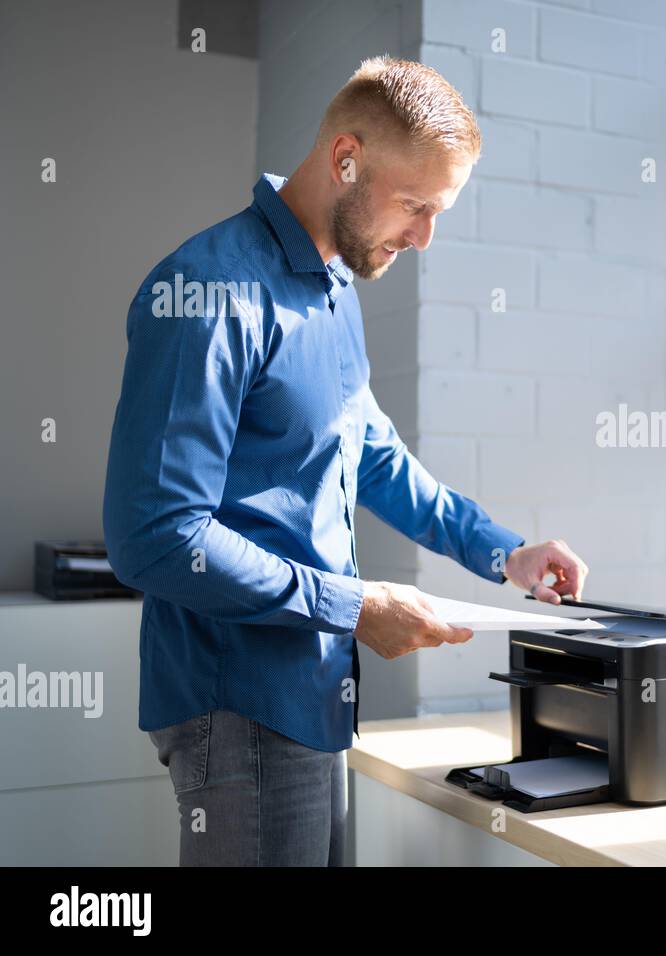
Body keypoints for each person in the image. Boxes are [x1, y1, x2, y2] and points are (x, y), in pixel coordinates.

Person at [102, 55, 588, 866]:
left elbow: (375, 459)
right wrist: (354, 605)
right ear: (346, 160)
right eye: (416, 206)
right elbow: (153, 535)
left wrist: (505, 553)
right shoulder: (208, 289)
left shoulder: (333, 293)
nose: (425, 237)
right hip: (240, 706)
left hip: (316, 696)